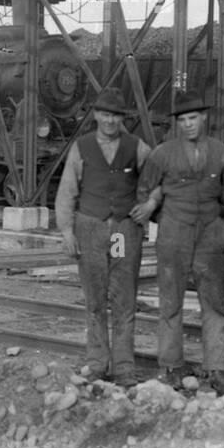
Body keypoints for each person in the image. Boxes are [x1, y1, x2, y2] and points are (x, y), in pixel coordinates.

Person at [134, 90, 224, 395]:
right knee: (170, 303)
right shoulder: (162, 153)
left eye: (193, 118)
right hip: (173, 235)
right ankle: (171, 367)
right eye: (183, 120)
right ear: (177, 123)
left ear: (204, 118)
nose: (189, 124)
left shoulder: (221, 153)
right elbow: (145, 191)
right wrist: (163, 217)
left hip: (209, 236)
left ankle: (217, 370)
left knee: (214, 304)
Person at [55, 89, 153, 388]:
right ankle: (97, 362)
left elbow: (158, 179)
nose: (111, 120)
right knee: (95, 300)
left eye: (117, 115)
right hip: (91, 228)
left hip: (123, 229)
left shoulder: (137, 147)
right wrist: (67, 232)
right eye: (106, 114)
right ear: (96, 115)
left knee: (124, 300)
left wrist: (149, 205)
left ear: (123, 118)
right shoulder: (81, 147)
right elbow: (67, 191)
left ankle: (124, 367)